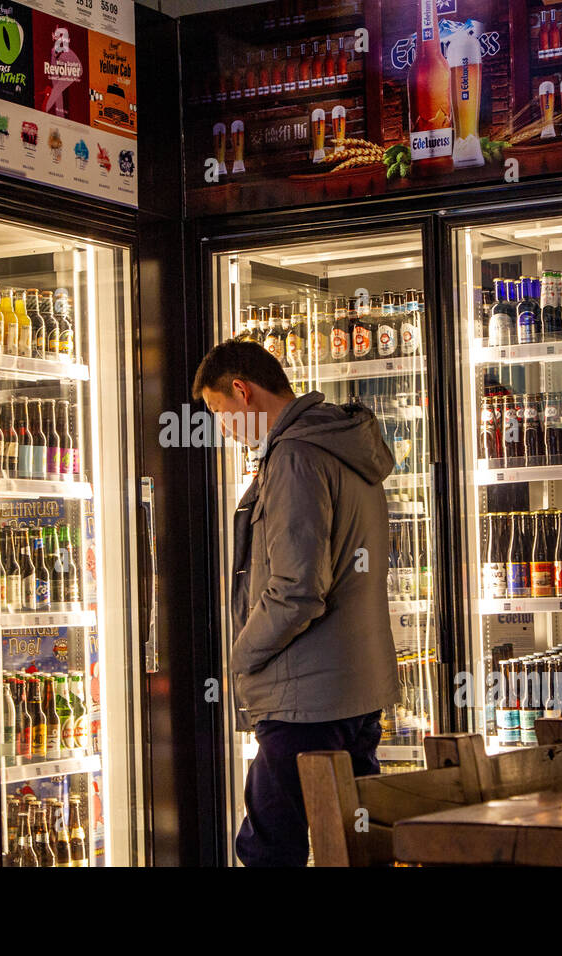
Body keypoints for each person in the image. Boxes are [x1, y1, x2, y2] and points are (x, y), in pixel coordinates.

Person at [192, 338, 399, 867]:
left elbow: (297, 588)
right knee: (356, 846)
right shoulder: (340, 444)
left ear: (242, 391)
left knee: (268, 848)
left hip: (304, 697)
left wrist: (239, 656)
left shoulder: (295, 457)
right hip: (352, 691)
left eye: (220, 413)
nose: (222, 429)